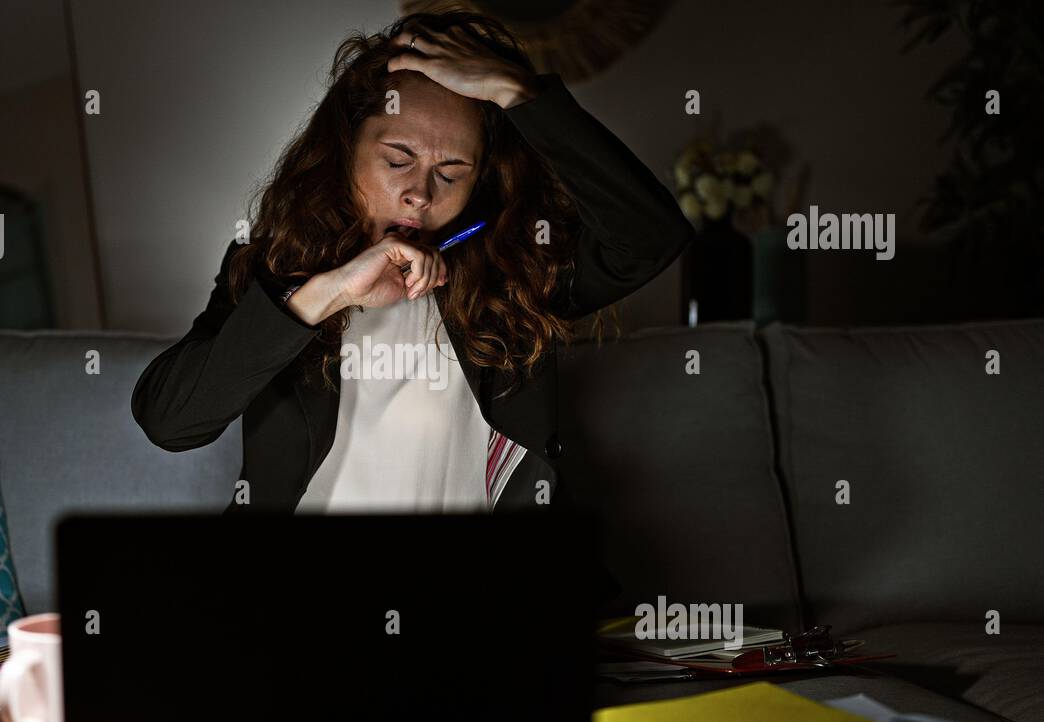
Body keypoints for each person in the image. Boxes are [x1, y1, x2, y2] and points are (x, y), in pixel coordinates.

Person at [132, 11, 694, 517]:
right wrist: (322, 297)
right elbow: (170, 422)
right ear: (345, 148)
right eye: (398, 160)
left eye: (451, 172)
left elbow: (652, 237)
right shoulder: (274, 266)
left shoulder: (515, 269)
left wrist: (520, 94)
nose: (420, 194)